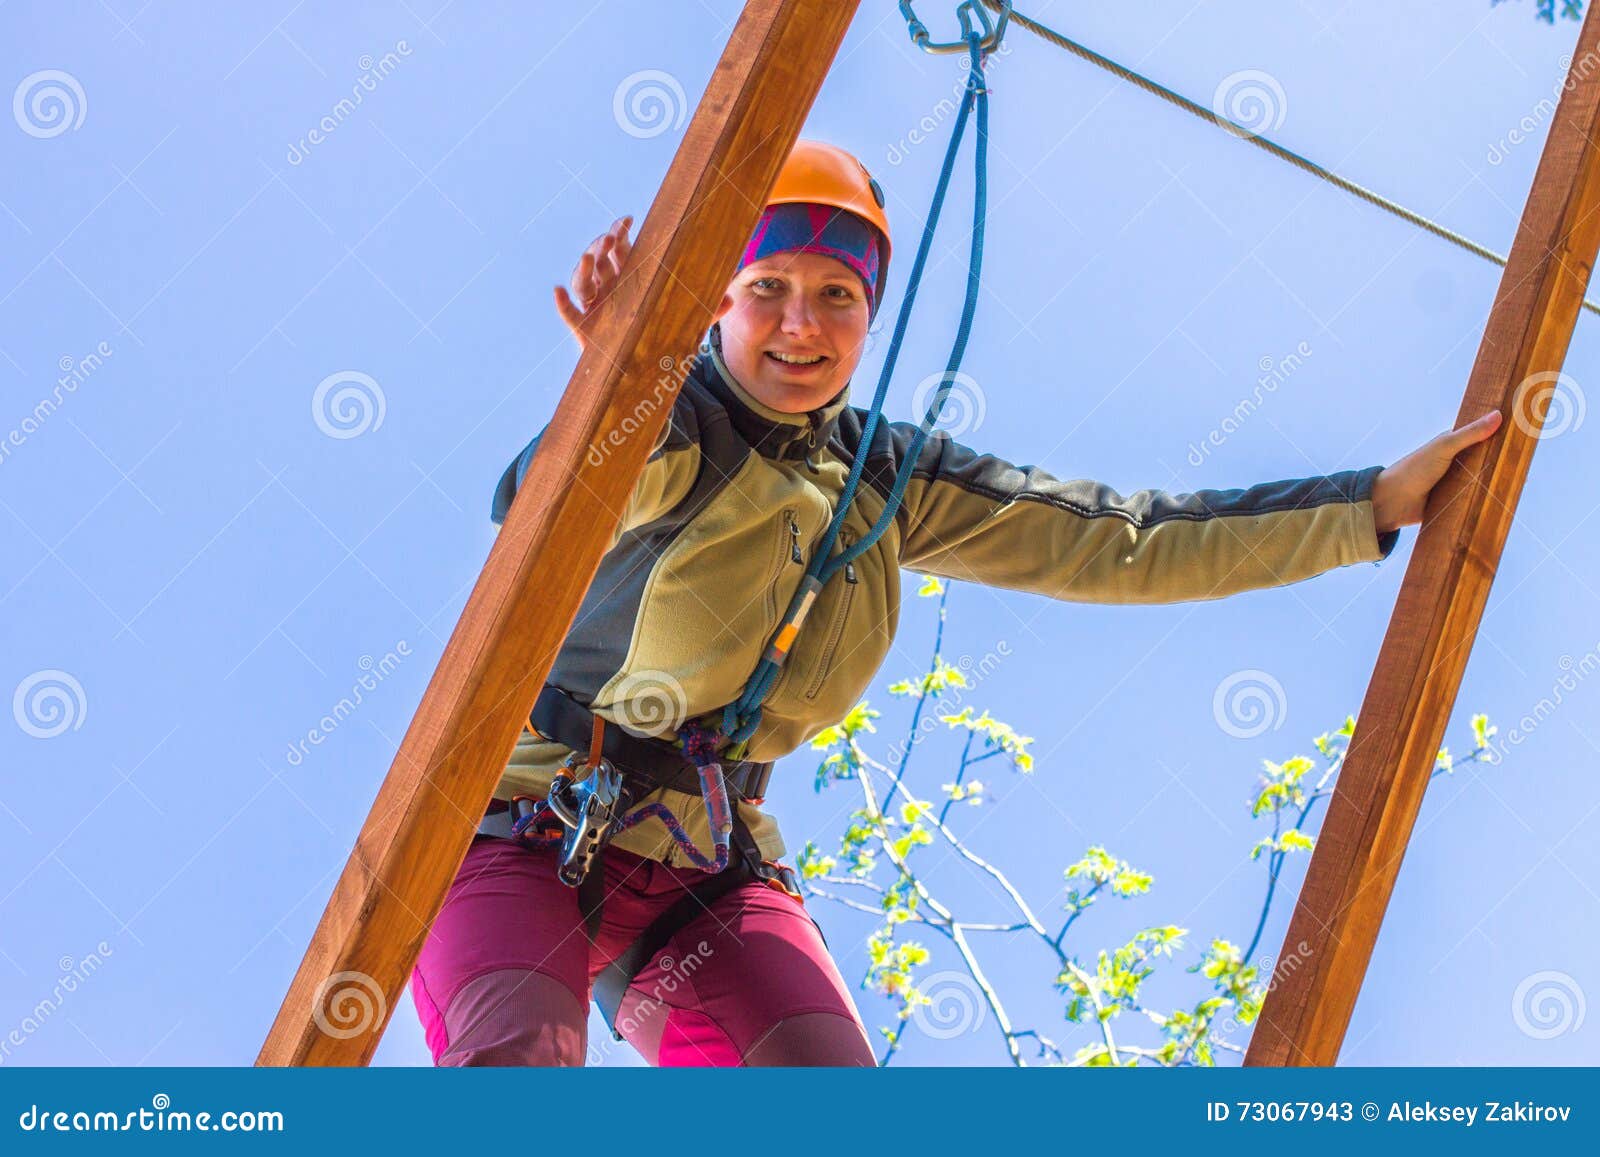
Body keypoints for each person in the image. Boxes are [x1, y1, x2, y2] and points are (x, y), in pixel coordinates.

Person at [409, 139, 1502, 1068]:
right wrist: (623, 377)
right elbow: (546, 510)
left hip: (703, 865)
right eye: (767, 288)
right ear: (717, 306)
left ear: (868, 315)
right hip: (518, 832)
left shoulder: (884, 480)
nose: (802, 322)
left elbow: (1116, 539)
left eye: (837, 294)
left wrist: (1368, 505)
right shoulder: (678, 426)